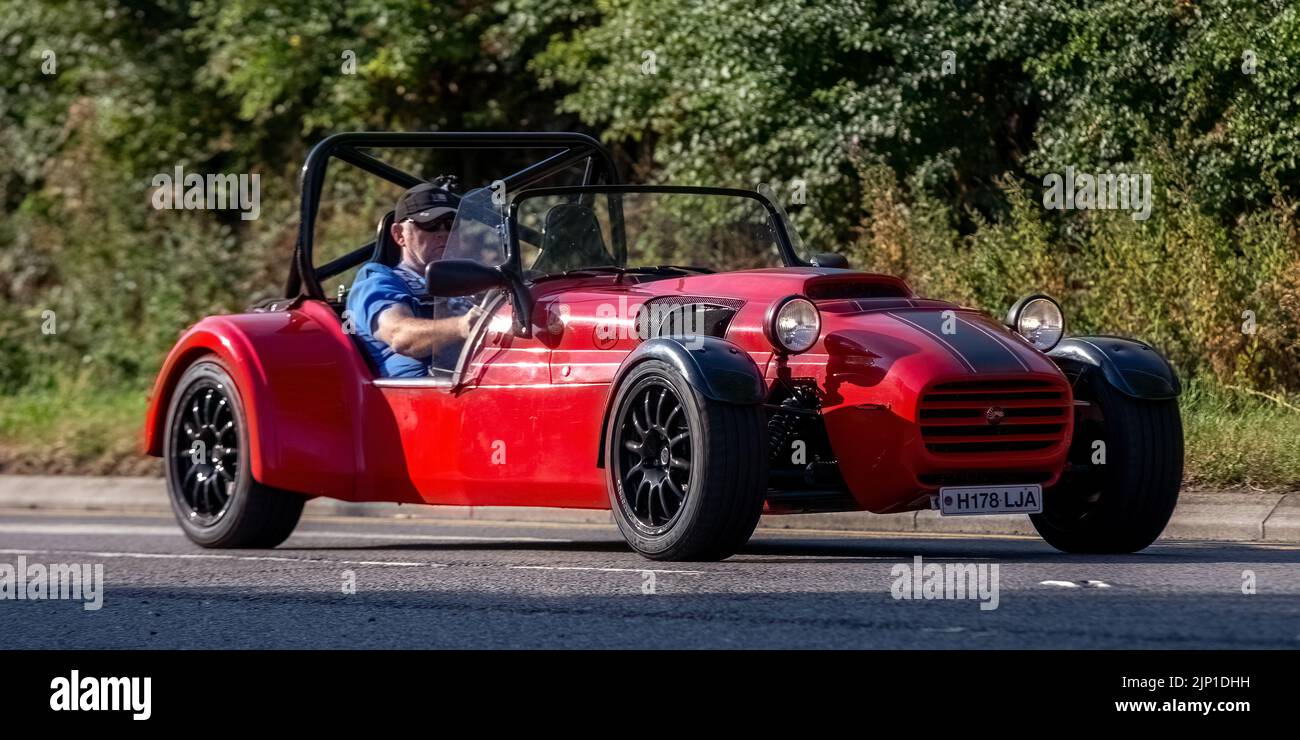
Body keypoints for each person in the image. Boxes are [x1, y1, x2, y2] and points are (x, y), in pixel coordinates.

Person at [347, 181, 480, 377]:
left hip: (480, 383)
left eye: (451, 223)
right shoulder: (378, 280)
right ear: (399, 235)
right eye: (429, 224)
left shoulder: (475, 279)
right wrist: (463, 325)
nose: (443, 233)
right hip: (419, 399)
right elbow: (400, 336)